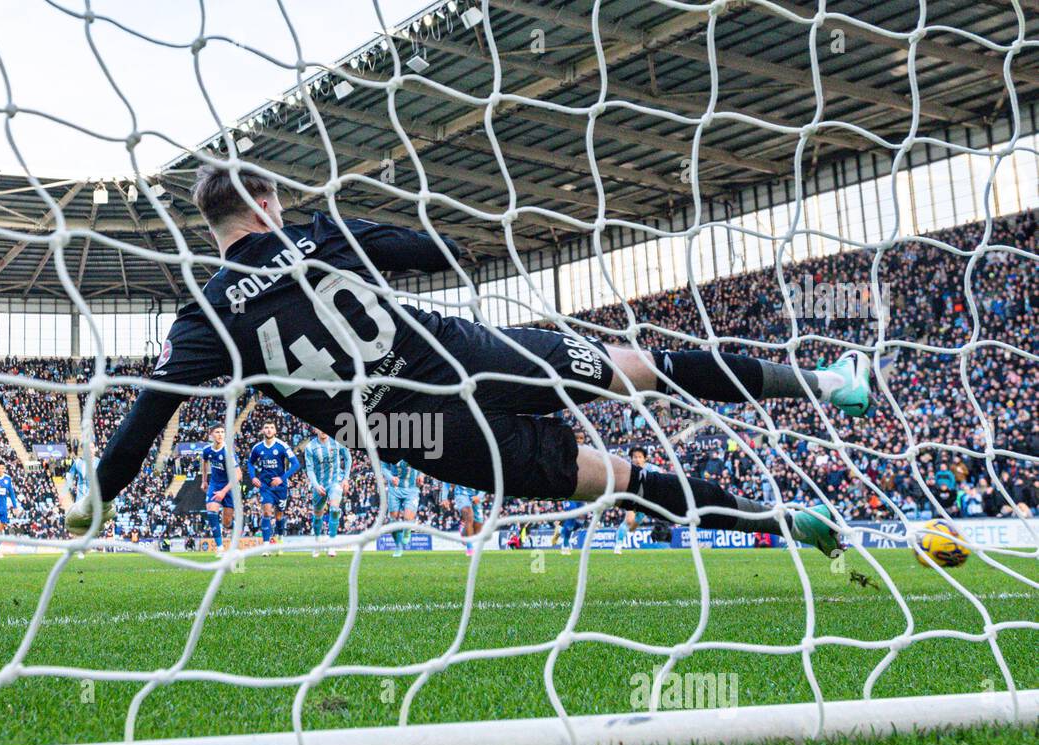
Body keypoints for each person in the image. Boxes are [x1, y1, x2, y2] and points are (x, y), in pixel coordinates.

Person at [68, 165, 872, 557]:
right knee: (641, 367)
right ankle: (826, 384)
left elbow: (148, 417)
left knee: (614, 478)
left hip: (412, 425)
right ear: (269, 202)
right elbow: (436, 253)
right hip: (470, 354)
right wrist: (435, 242)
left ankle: (777, 526)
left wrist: (98, 500)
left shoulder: (205, 313)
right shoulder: (322, 234)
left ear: (214, 227)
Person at [247, 419, 299, 549]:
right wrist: (253, 477)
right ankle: (266, 545)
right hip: (266, 486)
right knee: (266, 512)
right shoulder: (257, 448)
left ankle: (280, 537)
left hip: (280, 487)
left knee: (279, 515)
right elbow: (250, 463)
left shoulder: (282, 446)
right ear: (262, 430)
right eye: (266, 427)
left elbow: (296, 464)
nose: (269, 430)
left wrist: (282, 478)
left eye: (271, 427)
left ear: (275, 430)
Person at [305, 428, 352, 557]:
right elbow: (310, 469)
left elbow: (348, 458)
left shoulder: (337, 442)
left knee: (335, 509)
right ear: (315, 430)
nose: (322, 430)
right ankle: (318, 541)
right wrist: (315, 485)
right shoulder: (310, 447)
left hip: (335, 482)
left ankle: (332, 543)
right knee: (318, 515)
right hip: (319, 484)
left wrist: (346, 479)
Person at [200, 423, 240, 551]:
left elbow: (238, 475)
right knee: (211, 510)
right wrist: (204, 480)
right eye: (217, 432)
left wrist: (223, 491)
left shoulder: (228, 451)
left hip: (229, 487)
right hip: (215, 484)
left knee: (226, 522)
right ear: (211, 434)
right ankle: (220, 548)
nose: (220, 435)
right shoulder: (207, 450)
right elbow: (205, 462)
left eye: (222, 432)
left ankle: (235, 533)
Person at [382, 460, 421, 557]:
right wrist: (391, 478)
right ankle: (398, 546)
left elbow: (423, 462)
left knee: (408, 518)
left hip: (411, 489)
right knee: (393, 521)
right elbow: (383, 467)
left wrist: (421, 475)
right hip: (394, 489)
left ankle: (407, 529)